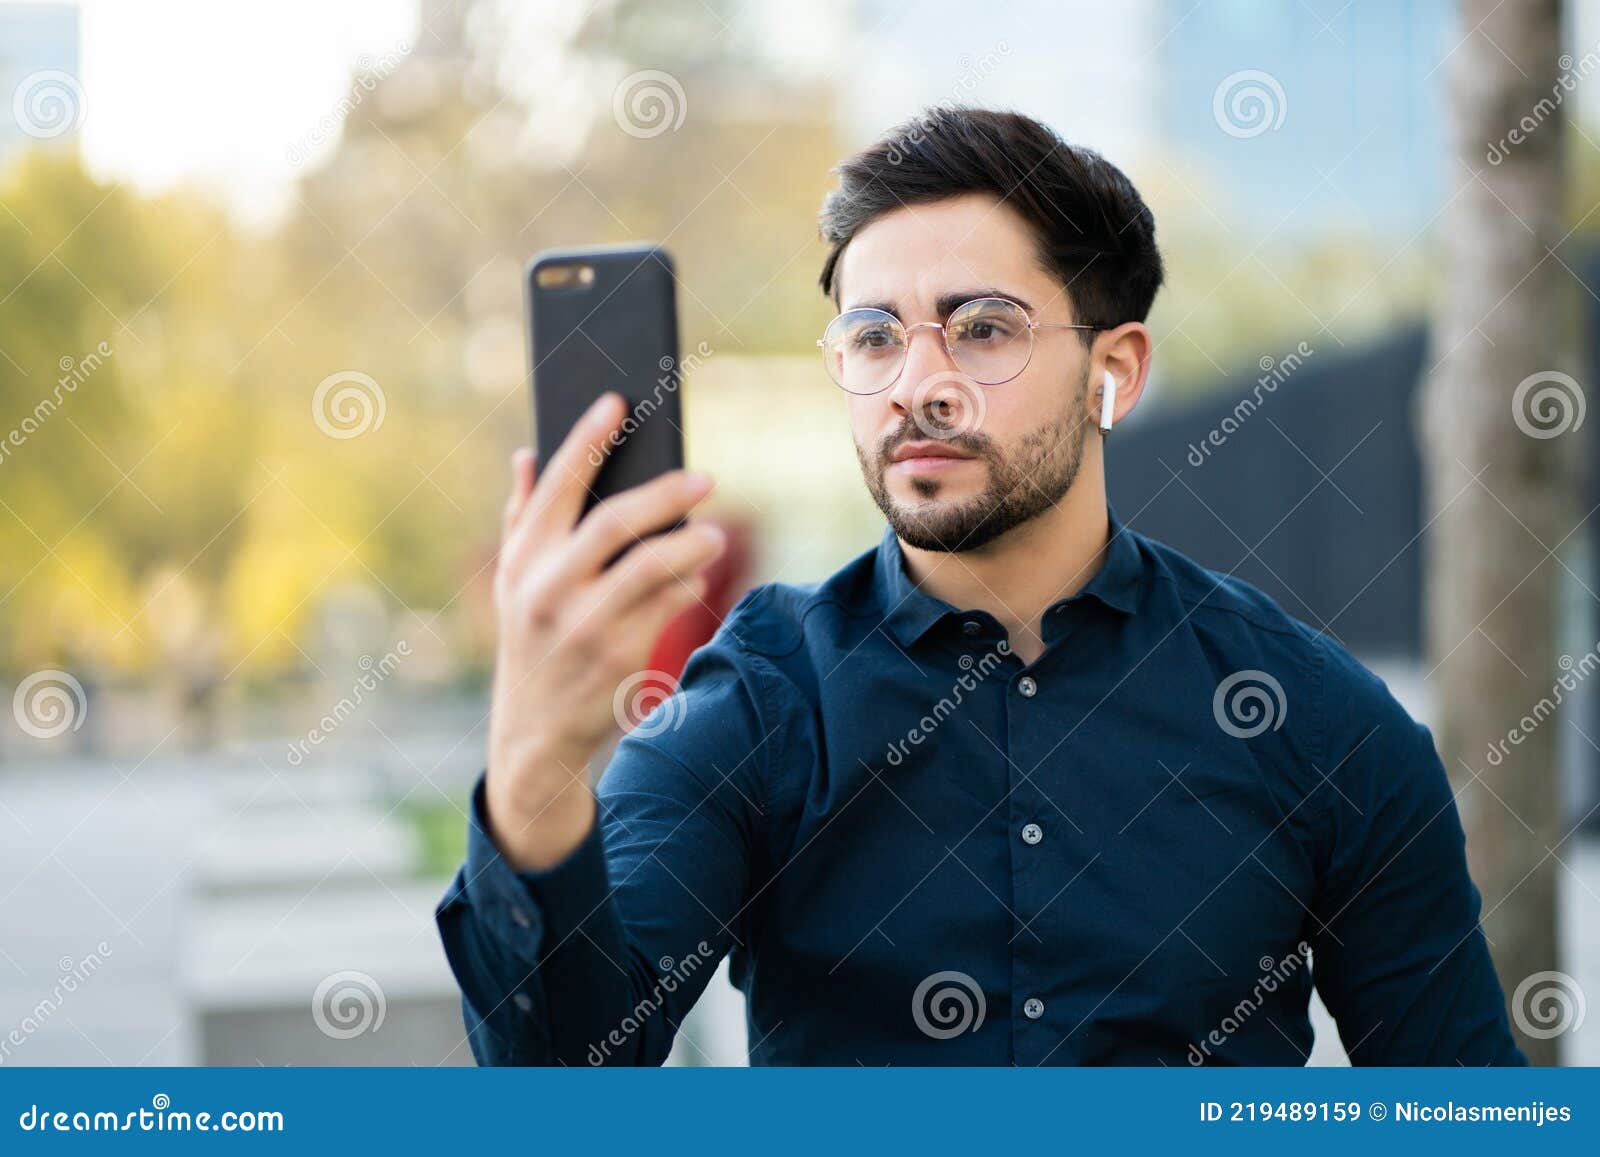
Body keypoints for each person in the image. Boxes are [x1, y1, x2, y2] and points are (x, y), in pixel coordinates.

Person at [435, 106, 1525, 1066]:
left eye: (983, 328)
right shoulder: (764, 698)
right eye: (873, 337)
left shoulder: (1320, 722)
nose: (919, 386)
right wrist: (537, 753)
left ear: (1117, 369)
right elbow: (564, 1073)